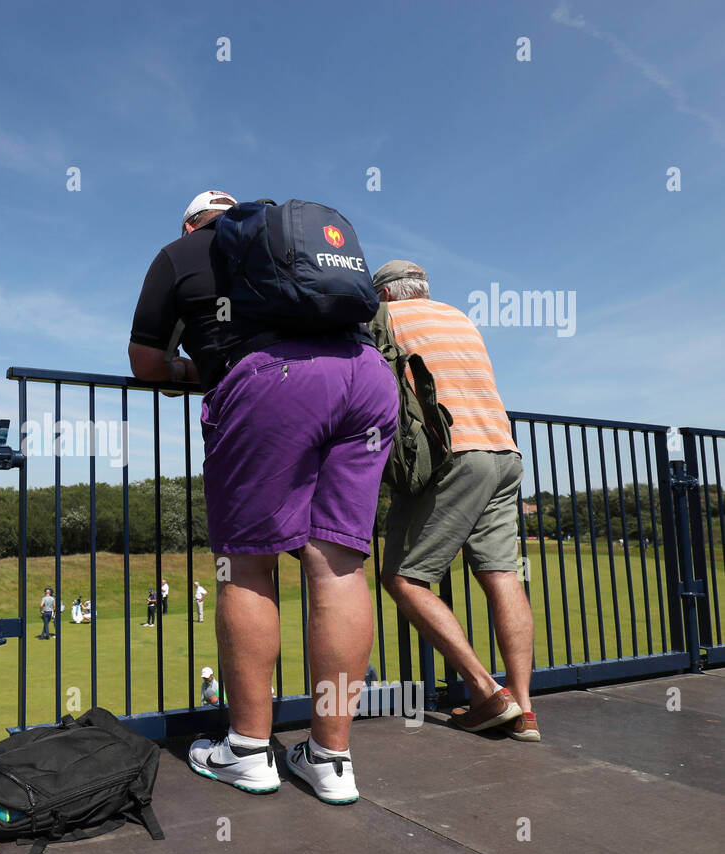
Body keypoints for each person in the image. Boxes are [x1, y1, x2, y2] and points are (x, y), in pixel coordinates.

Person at [129, 190, 398, 802]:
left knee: (247, 565)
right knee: (338, 565)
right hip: (365, 378)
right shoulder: (284, 241)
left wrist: (195, 373)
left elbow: (147, 360)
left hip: (275, 384)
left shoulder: (181, 252)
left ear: (192, 223)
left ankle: (249, 751)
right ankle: (330, 760)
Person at [372, 260, 537, 741]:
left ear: (383, 296)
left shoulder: (388, 320)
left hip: (454, 456)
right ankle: (524, 710)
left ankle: (486, 692)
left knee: (403, 577)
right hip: (503, 451)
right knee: (503, 575)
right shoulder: (459, 317)